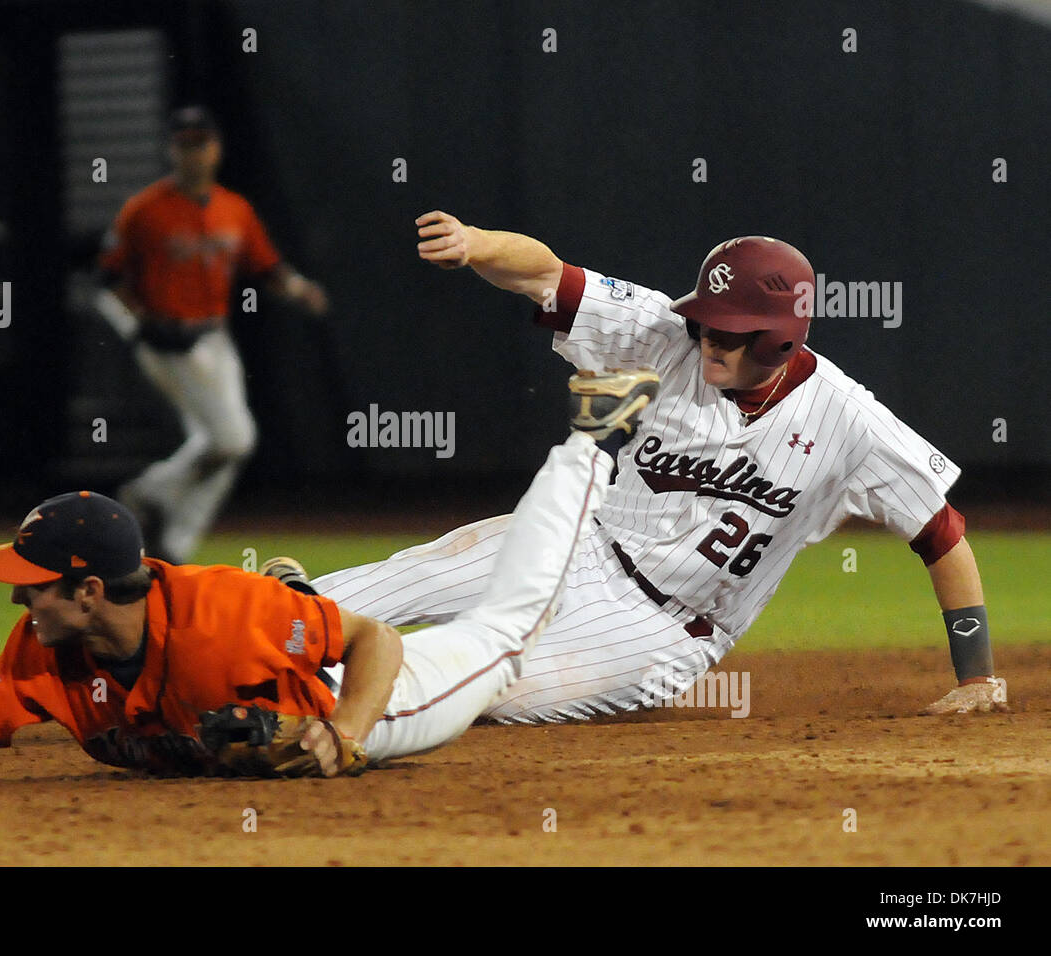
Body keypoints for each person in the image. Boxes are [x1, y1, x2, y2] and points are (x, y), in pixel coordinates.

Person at [311, 211, 1008, 722]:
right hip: (584, 547)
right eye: (705, 320)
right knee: (412, 573)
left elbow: (942, 539)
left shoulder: (850, 420)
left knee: (492, 682)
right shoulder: (667, 336)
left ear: (777, 339)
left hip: (661, 631)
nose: (706, 338)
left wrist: (978, 678)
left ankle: (298, 710)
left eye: (728, 331)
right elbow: (546, 275)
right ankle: (236, 631)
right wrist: (476, 246)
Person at [0, 370, 658, 786]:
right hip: (279, 654)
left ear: (89, 590)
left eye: (35, 583)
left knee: (503, 632)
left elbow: (377, 640)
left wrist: (345, 735)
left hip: (374, 702)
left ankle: (589, 438)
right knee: (286, 625)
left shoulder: (216, 615)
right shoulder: (41, 652)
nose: (18, 598)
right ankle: (300, 605)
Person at [94, 105, 330, 563]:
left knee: (227, 447)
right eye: (184, 144)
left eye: (201, 143)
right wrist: (138, 326)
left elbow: (268, 268)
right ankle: (148, 497)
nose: (194, 153)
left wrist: (300, 289)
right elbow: (107, 280)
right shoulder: (144, 210)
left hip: (214, 339)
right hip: (166, 342)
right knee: (231, 439)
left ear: (216, 148)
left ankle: (171, 536)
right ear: (171, 150)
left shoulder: (233, 209)